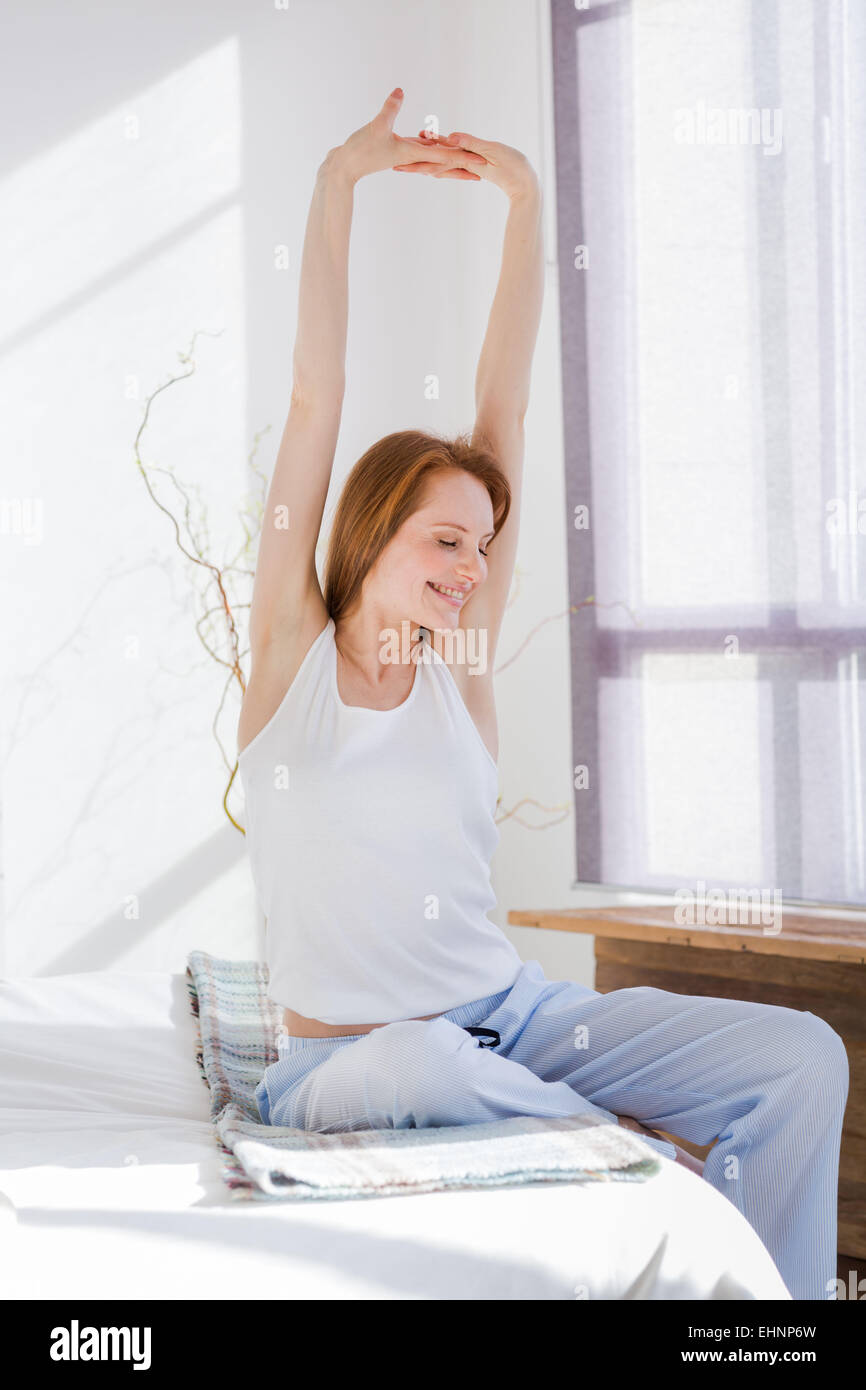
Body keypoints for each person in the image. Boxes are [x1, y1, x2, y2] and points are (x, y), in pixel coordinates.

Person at [236, 90, 848, 1300]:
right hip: (349, 1062)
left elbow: (499, 405)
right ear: (371, 536)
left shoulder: (457, 668)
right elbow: (316, 395)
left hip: (509, 1019)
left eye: (482, 546)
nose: (471, 570)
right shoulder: (289, 660)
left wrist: (525, 206)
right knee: (427, 1069)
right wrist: (337, 180)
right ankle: (640, 1155)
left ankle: (759, 1327)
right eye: (443, 543)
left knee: (802, 1057)